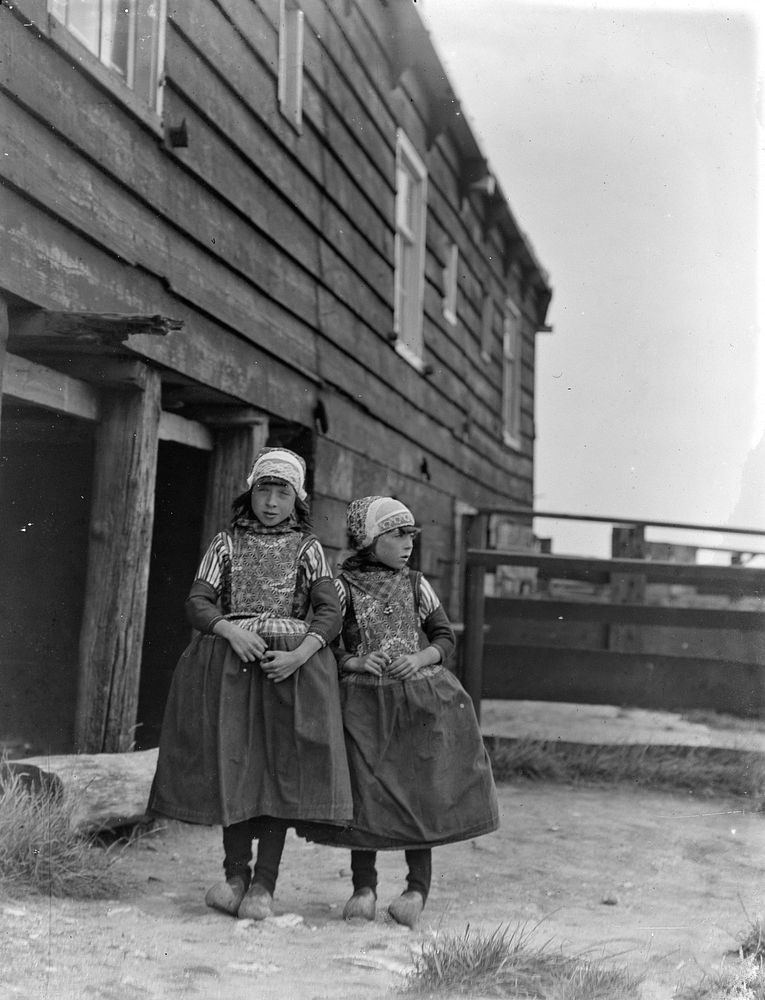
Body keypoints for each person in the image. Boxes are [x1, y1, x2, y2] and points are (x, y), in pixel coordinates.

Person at [148, 448, 352, 920]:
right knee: (234, 765)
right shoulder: (225, 544)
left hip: (287, 670)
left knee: (277, 771)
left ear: (296, 499)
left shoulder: (308, 548)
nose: (272, 501)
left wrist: (300, 655)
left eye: (283, 492)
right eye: (265, 489)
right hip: (231, 669)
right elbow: (198, 601)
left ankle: (264, 884)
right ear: (251, 492)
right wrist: (229, 629)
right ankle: (234, 875)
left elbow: (329, 612)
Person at [321, 495, 499, 928]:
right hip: (362, 703)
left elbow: (443, 638)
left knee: (420, 791)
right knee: (365, 795)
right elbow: (328, 644)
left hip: (417, 699)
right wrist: (357, 661)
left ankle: (416, 889)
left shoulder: (417, 583)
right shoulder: (341, 587)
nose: (407, 545)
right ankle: (363, 887)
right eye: (397, 535)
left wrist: (419, 659)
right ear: (369, 539)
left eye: (411, 536)